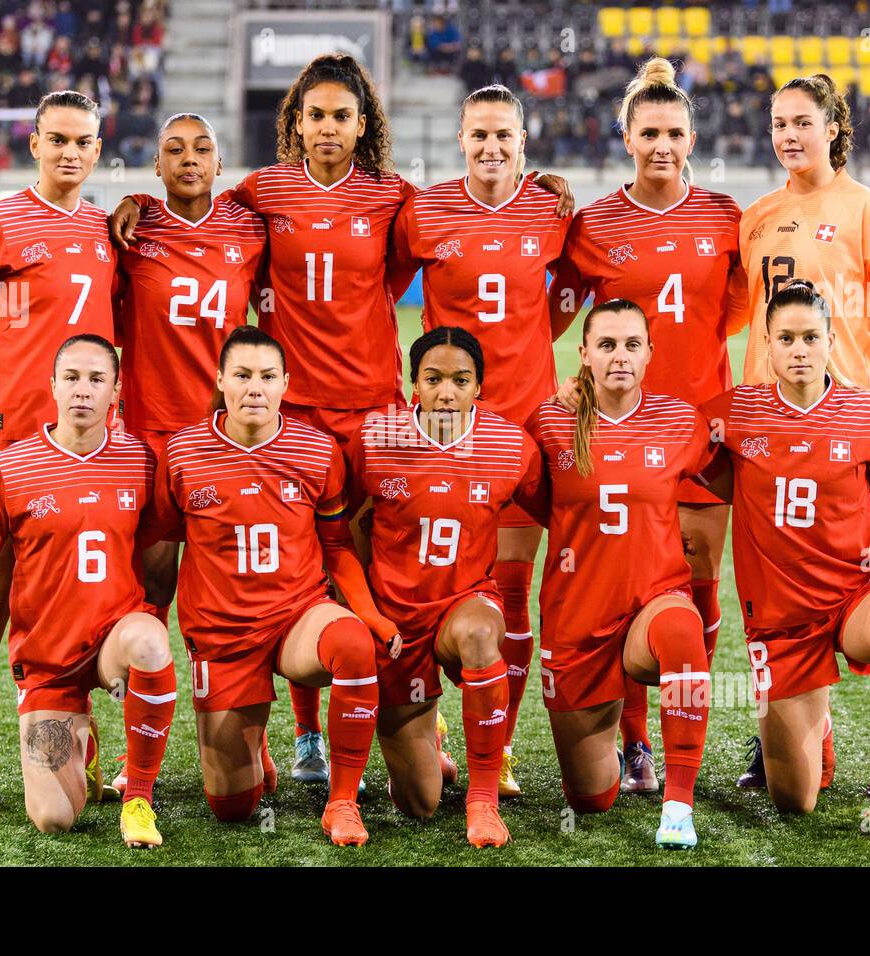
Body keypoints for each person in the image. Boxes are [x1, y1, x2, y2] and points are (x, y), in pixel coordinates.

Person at [111, 53, 573, 785]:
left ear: (364, 125)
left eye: (342, 116)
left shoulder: (395, 199)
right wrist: (139, 195)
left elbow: (398, 276)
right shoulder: (262, 192)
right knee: (297, 572)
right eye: (315, 115)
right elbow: (192, 194)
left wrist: (539, 180)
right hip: (291, 412)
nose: (328, 127)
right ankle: (302, 736)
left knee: (379, 567)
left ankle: (414, 719)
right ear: (296, 122)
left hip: (376, 409)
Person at [548, 57, 749, 795]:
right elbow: (558, 315)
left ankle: (681, 735)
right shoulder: (594, 223)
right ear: (626, 136)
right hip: (612, 438)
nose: (661, 144)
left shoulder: (725, 217)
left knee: (695, 592)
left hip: (700, 435)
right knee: (621, 590)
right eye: (648, 132)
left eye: (674, 132)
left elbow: (734, 311)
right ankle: (635, 744)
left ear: (692, 137)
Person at [696, 281, 870, 841]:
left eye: (810, 337)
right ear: (767, 344)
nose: (798, 349)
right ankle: (815, 722)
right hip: (781, 618)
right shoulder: (734, 412)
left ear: (831, 341)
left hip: (855, 594)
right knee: (794, 801)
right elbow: (664, 440)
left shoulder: (862, 412)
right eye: (786, 338)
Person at [387, 84, 572, 798]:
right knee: (431, 583)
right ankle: (430, 738)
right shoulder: (423, 211)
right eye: (478, 135)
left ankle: (502, 747)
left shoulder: (551, 211)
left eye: (504, 135)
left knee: (511, 593)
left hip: (522, 427)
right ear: (459, 139)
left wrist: (538, 352)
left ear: (523, 142)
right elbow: (381, 283)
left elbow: (572, 288)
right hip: (441, 428)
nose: (491, 147)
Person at [736, 73, 870, 789]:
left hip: (847, 438)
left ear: (833, 128)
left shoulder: (869, 212)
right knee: (774, 602)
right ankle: (786, 735)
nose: (788, 134)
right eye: (778, 121)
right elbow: (731, 314)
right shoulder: (755, 217)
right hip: (767, 438)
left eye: (802, 122)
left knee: (867, 592)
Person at [0, 90, 118, 814]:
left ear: (98, 150)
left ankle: (82, 745)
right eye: (58, 140)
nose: (70, 152)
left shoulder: (110, 229)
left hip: (93, 444)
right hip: (10, 438)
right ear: (34, 144)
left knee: (91, 595)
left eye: (83, 142)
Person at [152, 326, 400, 846]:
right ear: (220, 380)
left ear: (286, 383)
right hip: (222, 633)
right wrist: (150, 623)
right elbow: (160, 548)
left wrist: (370, 615)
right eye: (241, 376)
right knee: (232, 807)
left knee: (354, 644)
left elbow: (336, 548)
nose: (254, 389)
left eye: (267, 376)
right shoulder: (181, 454)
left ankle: (342, 802)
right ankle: (254, 737)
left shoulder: (316, 449)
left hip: (296, 616)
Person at [0, 335, 175, 848]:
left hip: (111, 641)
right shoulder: (11, 468)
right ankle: (81, 737)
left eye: (97, 379)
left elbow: (158, 540)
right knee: (55, 818)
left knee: (149, 640)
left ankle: (138, 797)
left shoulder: (141, 461)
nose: (83, 390)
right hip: (47, 662)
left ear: (116, 391)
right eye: (71, 378)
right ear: (51, 386)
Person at [524, 299, 714, 849]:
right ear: (583, 355)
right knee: (590, 799)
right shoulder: (549, 424)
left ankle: (678, 804)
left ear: (650, 353)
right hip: (576, 617)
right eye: (606, 345)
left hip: (654, 601)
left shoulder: (681, 421)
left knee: (683, 632)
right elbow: (540, 502)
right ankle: (618, 744)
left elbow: (735, 474)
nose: (620, 356)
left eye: (632, 344)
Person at [346, 327, 545, 846]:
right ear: (414, 383)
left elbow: (561, 507)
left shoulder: (507, 444)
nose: (447, 392)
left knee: (481, 637)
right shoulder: (375, 438)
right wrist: (366, 608)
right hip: (396, 621)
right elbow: (337, 523)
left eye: (462, 380)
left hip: (465, 603)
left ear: (479, 385)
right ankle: (427, 742)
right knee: (419, 804)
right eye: (433, 379)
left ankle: (483, 801)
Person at [115, 112, 266, 621]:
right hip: (149, 431)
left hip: (224, 431)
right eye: (175, 150)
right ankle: (145, 690)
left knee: (223, 581)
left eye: (201, 149)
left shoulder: (250, 229)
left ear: (219, 163)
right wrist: (135, 202)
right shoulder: (133, 232)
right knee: (154, 579)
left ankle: (219, 689)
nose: (189, 160)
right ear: (156, 165)